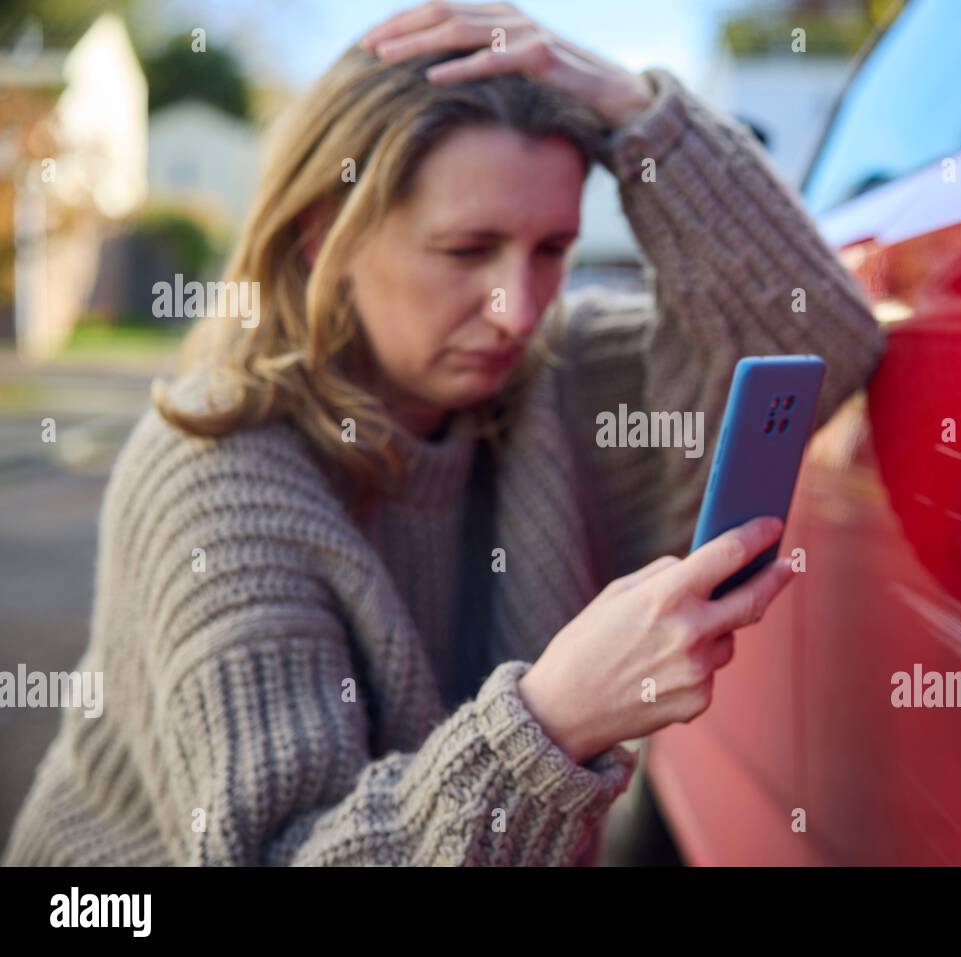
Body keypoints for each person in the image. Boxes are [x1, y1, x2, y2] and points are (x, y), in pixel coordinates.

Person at [2, 1, 884, 866]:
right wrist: (554, 721)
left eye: (553, 249)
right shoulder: (218, 469)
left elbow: (815, 335)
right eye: (468, 250)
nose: (518, 309)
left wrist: (638, 114)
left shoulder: (558, 383)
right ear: (324, 237)